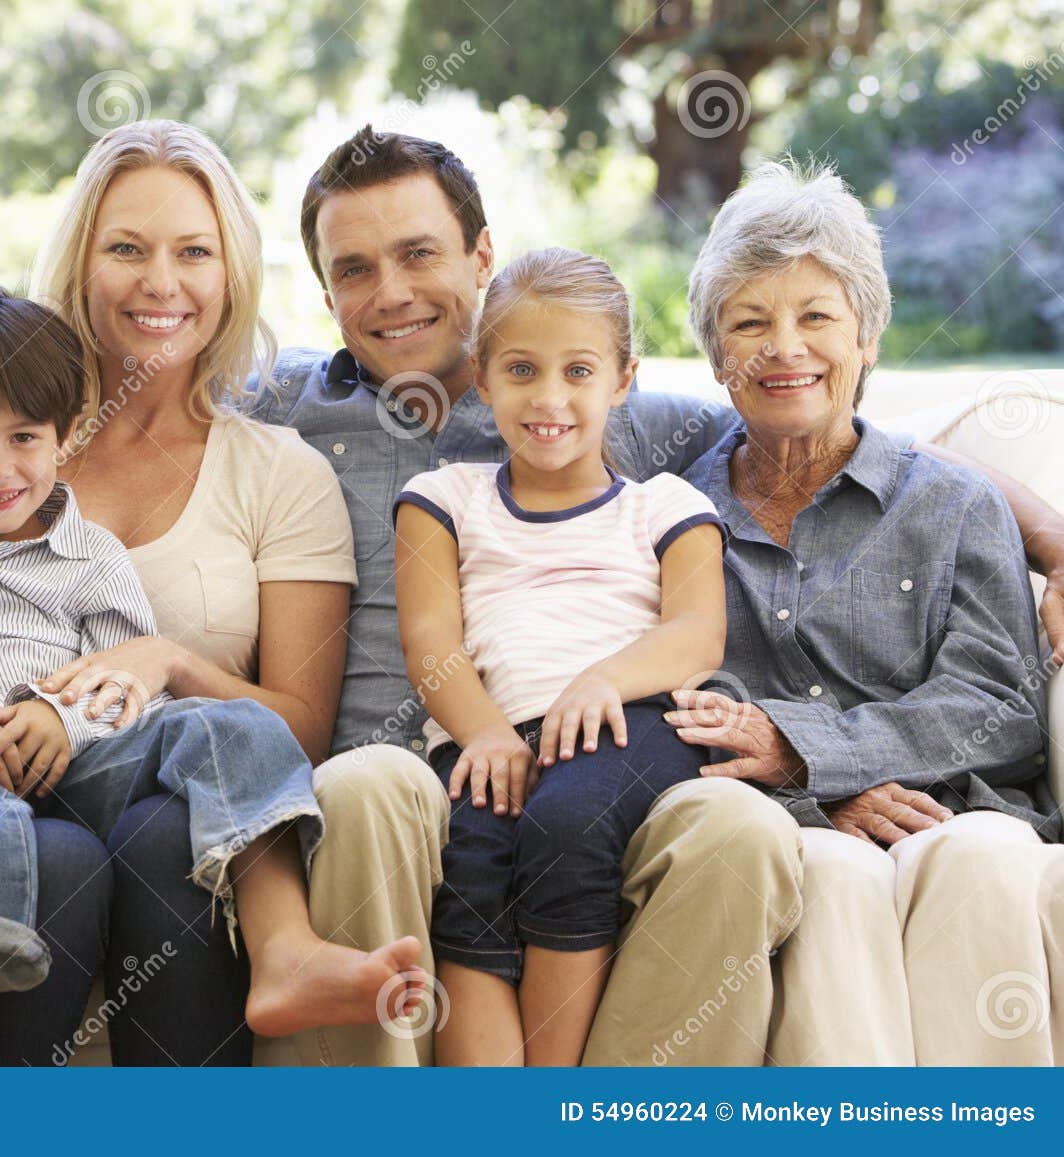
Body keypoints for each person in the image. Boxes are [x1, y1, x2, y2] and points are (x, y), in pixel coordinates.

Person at [252, 124, 1064, 1063]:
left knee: (793, 842)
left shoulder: (637, 436)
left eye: (418, 253)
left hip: (712, 773)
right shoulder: (287, 406)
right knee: (386, 789)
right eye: (356, 268)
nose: (390, 291)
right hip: (480, 765)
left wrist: (1055, 538)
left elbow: (827, 430)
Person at [0, 118, 450, 1067]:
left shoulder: (278, 470)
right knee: (46, 848)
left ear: (231, 276)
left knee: (162, 831)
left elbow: (298, 731)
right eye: (127, 249)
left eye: (194, 252)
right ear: (79, 263)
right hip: (2, 777)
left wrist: (171, 661)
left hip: (175, 822)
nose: (161, 283)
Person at [0, 286, 424, 1065]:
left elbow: (133, 682)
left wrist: (59, 718)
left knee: (231, 724)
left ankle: (284, 948)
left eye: (23, 437)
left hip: (81, 757)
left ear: (68, 435)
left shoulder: (93, 553)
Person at [666, 159, 1063, 1064]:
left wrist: (815, 749)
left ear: (867, 338)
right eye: (750, 323)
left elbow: (1000, 709)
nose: (784, 347)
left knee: (987, 857)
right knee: (836, 875)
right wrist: (813, 787)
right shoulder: (668, 514)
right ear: (718, 356)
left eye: (816, 317)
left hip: (958, 810)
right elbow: (671, 707)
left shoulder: (956, 504)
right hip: (787, 821)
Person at [397, 247, 727, 1064]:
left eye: (579, 371)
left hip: (633, 723)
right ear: (481, 376)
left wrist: (602, 679)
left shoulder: (666, 506)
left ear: (623, 380)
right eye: (521, 369)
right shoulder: (443, 500)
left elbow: (697, 634)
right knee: (471, 849)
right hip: (494, 732)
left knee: (568, 819)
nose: (549, 398)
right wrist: (484, 734)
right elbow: (432, 644)